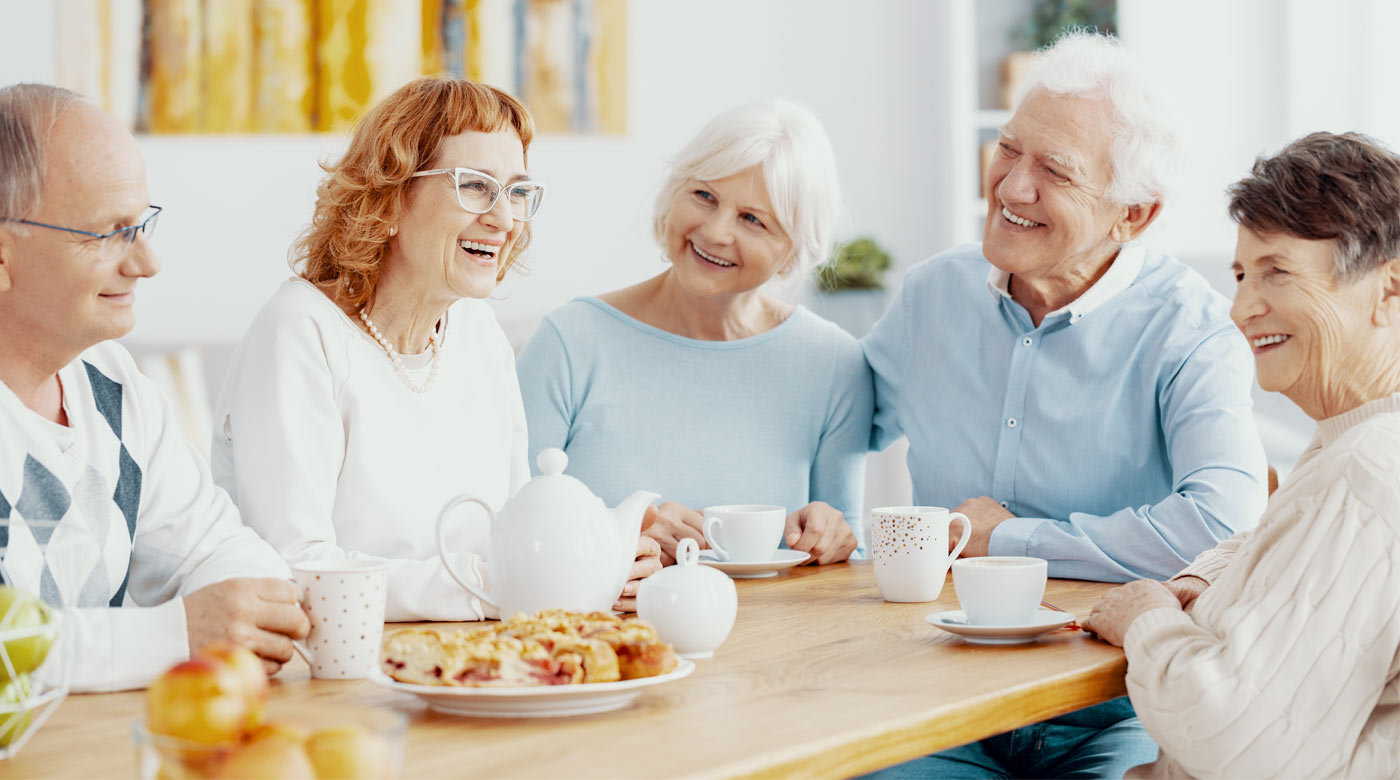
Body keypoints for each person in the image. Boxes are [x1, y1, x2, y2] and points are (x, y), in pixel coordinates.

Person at [861, 32, 1268, 778]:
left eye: (1054, 171)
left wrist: (1014, 539)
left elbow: (1221, 524)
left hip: (1110, 711)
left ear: (1134, 214)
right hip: (936, 701)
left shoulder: (1191, 328)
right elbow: (829, 413)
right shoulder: (930, 298)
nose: (1013, 187)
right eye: (1010, 149)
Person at [211, 77, 659, 620]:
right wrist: (507, 585)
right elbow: (296, 566)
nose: (504, 219)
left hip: (481, 660)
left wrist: (590, 560)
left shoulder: (477, 332)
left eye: (517, 191)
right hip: (342, 678)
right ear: (390, 198)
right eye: (475, 185)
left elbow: (513, 532)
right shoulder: (301, 332)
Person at [1084, 132, 1400, 778]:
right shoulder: (1352, 443)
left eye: (1275, 272)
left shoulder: (1364, 472)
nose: (1241, 309)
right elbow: (1283, 550)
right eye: (1239, 275)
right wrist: (1205, 580)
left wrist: (1146, 618)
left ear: (1389, 287)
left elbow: (1235, 738)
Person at [0, 84, 310, 692]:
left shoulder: (115, 386)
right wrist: (177, 637)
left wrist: (243, 616)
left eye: (142, 223)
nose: (147, 262)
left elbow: (223, 552)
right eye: (110, 232)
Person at [516, 100, 871, 567]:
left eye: (753, 219)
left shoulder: (834, 362)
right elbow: (506, 524)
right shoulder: (570, 341)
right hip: (596, 635)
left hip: (775, 635)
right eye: (704, 196)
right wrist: (623, 528)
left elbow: (847, 559)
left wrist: (834, 536)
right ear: (674, 192)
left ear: (793, 250)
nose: (715, 231)